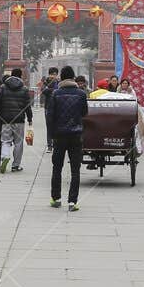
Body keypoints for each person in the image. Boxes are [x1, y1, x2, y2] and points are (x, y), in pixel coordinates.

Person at [47, 65, 89, 211]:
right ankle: (72, 202)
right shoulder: (81, 93)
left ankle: (56, 198)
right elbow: (84, 113)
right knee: (75, 170)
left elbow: (50, 116)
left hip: (59, 135)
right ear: (73, 77)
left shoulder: (55, 93)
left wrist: (51, 136)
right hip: (76, 135)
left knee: (57, 167)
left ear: (61, 77)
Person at [0, 67, 32, 174]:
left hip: (5, 119)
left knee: (5, 141)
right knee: (18, 143)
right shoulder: (24, 89)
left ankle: (5, 157)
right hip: (19, 120)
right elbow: (27, 106)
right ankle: (16, 166)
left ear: (11, 75)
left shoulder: (3, 87)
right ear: (20, 76)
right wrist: (30, 118)